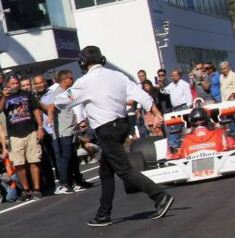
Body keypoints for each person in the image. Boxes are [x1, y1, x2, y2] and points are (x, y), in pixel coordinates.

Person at [55, 46, 174, 227]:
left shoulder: (84, 82)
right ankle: (103, 214)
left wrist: (62, 93)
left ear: (83, 62)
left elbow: (62, 101)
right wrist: (156, 111)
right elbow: (141, 95)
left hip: (106, 130)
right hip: (122, 125)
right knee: (105, 171)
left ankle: (160, 196)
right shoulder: (118, 75)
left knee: (125, 171)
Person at [0, 75, 44, 201]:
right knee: (19, 164)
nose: (15, 85)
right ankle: (26, 189)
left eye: (17, 83)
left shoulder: (27, 94)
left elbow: (36, 111)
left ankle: (37, 189)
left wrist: (40, 127)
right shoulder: (4, 97)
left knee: (34, 161)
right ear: (8, 85)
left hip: (30, 131)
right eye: (12, 84)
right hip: (15, 135)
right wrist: (3, 97)